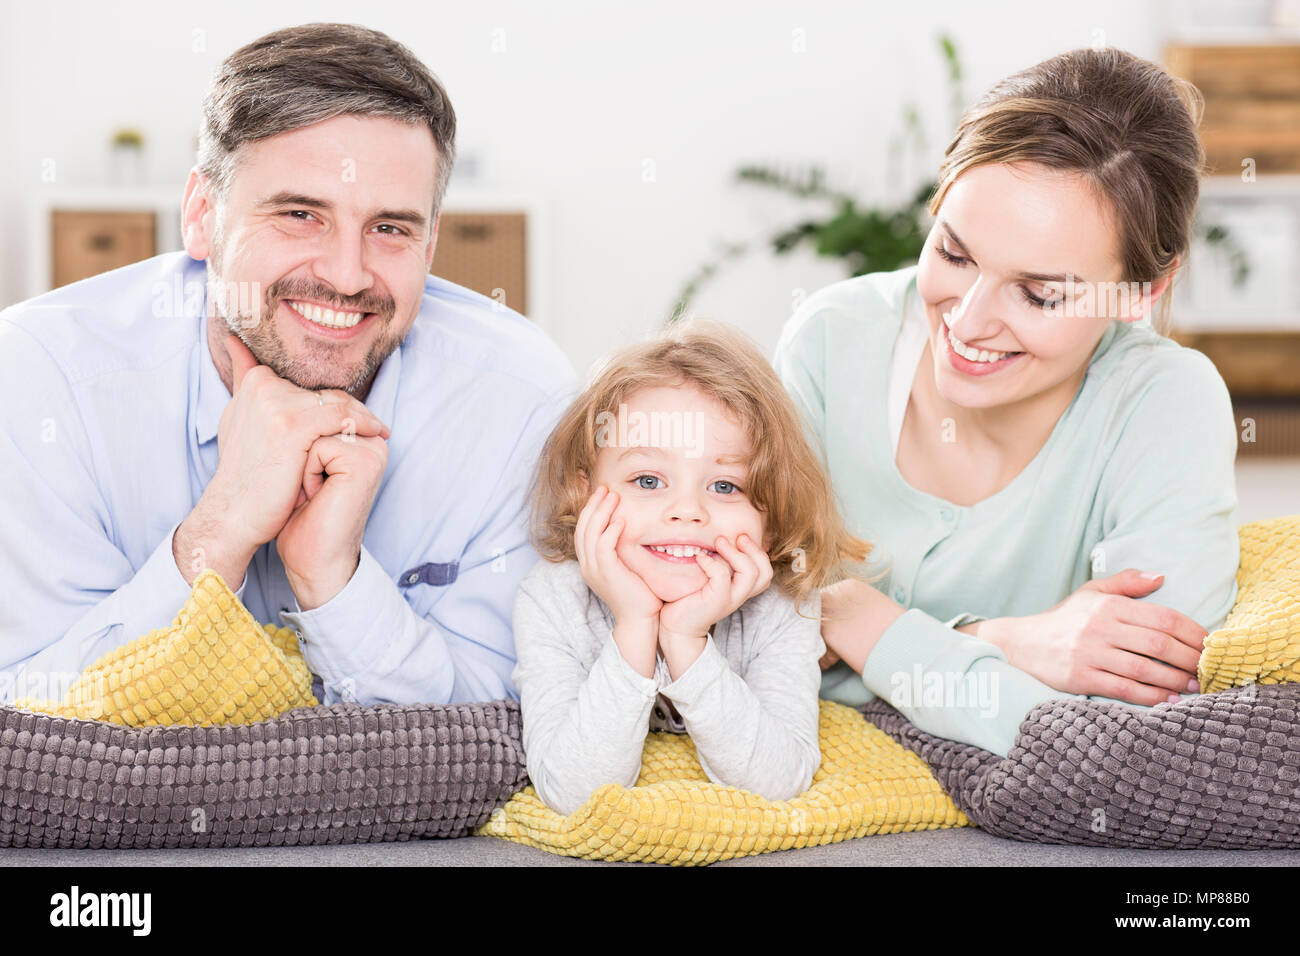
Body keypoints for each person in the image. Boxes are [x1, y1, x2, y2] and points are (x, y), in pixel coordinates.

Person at [0, 23, 576, 708]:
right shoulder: (42, 379)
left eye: (390, 228)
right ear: (202, 215)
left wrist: (335, 582)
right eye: (301, 214)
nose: (346, 275)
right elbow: (24, 718)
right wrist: (217, 536)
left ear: (429, 247)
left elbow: (510, 724)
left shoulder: (522, 401)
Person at [773, 47, 1240, 757]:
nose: (967, 321)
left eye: (1039, 294)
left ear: (1144, 290)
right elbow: (746, 640)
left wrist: (859, 625)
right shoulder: (833, 340)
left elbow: (1133, 740)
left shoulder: (1167, 405)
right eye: (953, 254)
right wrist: (1009, 643)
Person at [512, 320, 871, 814]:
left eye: (725, 486)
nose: (686, 511)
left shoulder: (782, 605)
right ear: (584, 492)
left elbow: (778, 780)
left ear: (771, 516)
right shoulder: (552, 599)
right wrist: (635, 625)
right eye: (647, 480)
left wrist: (686, 640)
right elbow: (573, 792)